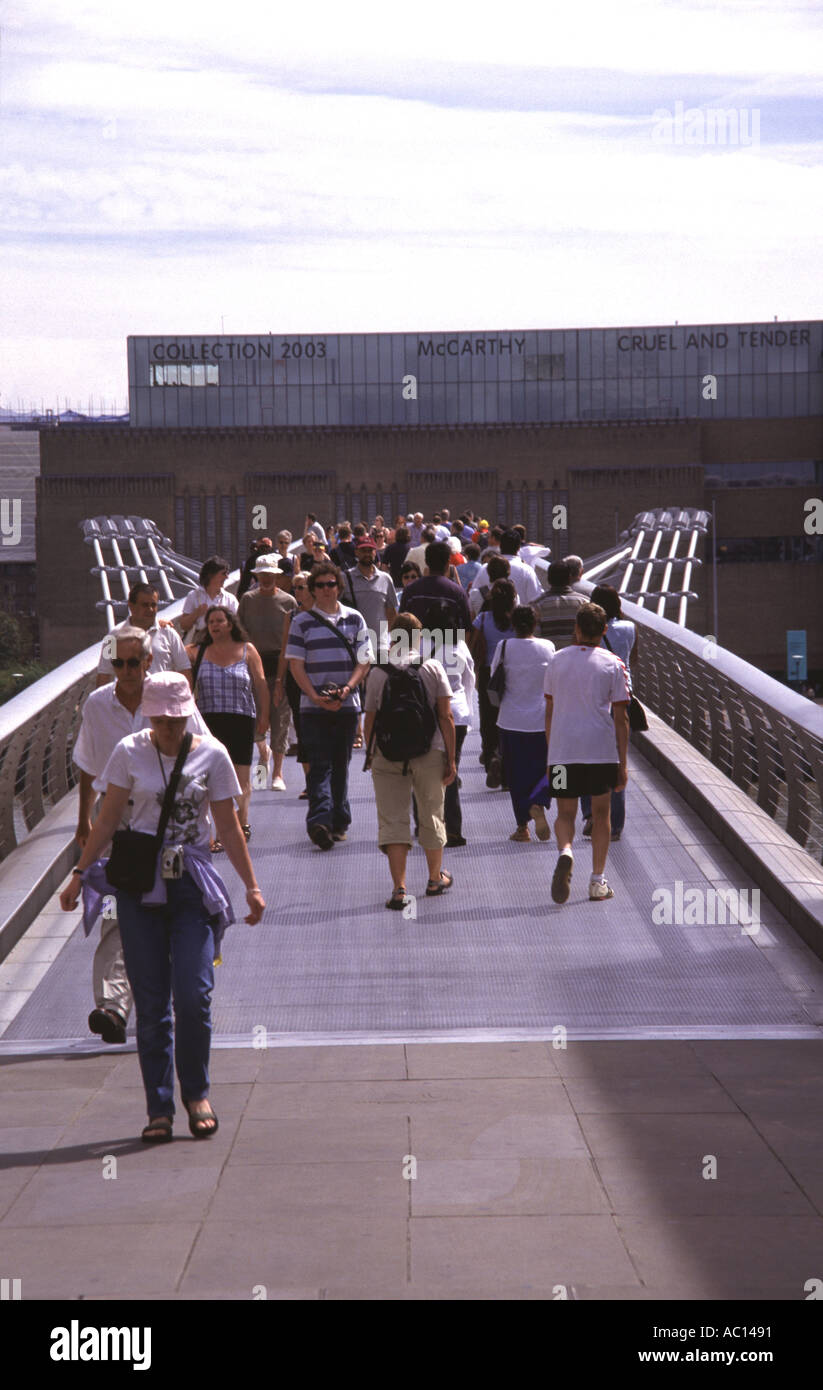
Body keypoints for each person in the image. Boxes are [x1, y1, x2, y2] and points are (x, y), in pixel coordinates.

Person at [59, 672, 265, 1143]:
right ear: (150, 715)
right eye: (162, 720)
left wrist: (251, 885)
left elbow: (228, 828)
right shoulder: (129, 752)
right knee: (152, 1004)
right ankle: (159, 1106)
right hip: (139, 888)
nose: (170, 728)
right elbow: (107, 818)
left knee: (193, 995)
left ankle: (197, 1093)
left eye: (177, 719)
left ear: (188, 712)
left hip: (190, 885)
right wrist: (79, 874)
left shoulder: (211, 755)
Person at [74, 628, 210, 1046]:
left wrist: (219, 823)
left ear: (149, 662)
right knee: (117, 909)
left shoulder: (169, 695)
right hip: (120, 827)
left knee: (167, 912)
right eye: (118, 664)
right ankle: (113, 1006)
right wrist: (84, 823)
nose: (126, 671)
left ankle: (166, 1000)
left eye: (134, 663)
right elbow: (87, 766)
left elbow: (205, 753)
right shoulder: (97, 706)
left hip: (170, 832)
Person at [364, 613, 456, 909]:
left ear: (391, 636)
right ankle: (434, 878)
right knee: (431, 813)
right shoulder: (431, 666)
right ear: (419, 636)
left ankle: (400, 889)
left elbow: (370, 718)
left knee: (393, 818)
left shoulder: (378, 671)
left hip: (388, 753)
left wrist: (371, 752)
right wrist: (451, 758)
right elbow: (446, 716)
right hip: (429, 751)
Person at [544, 603, 630, 904]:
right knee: (602, 813)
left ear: (576, 630)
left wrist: (550, 754)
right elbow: (622, 718)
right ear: (604, 630)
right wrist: (623, 764)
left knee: (564, 813)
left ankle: (566, 851)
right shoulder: (614, 664)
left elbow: (550, 710)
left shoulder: (556, 661)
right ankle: (597, 881)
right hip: (601, 751)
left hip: (562, 750)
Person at [285, 561, 373, 849]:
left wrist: (348, 689)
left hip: (346, 705)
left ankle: (339, 819)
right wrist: (313, 695)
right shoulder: (301, 622)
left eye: (330, 584)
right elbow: (296, 665)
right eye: (320, 585)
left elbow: (364, 660)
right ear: (312, 590)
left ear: (339, 587)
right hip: (313, 707)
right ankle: (320, 821)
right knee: (320, 765)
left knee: (340, 763)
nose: (325, 590)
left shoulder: (355, 619)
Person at [186, 607, 269, 843]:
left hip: (241, 719)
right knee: (214, 781)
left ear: (230, 624)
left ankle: (241, 824)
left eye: (220, 621)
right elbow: (171, 657)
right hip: (209, 723)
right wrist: (164, 629)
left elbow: (261, 684)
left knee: (241, 780)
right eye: (211, 621)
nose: (215, 625)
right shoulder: (196, 652)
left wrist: (264, 717)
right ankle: (222, 832)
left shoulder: (247, 650)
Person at [489, 607, 555, 841]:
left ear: (512, 623)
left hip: (511, 720)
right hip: (541, 720)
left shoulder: (504, 647)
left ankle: (522, 828)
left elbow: (493, 678)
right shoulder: (547, 647)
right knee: (548, 769)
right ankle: (539, 801)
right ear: (535, 622)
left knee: (516, 775)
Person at [579, 584, 638, 842]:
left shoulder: (588, 630)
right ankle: (614, 825)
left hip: (592, 699)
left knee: (585, 757)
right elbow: (632, 660)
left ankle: (591, 814)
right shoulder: (629, 629)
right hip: (620, 698)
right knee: (616, 759)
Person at [237, 553, 297, 792]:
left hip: (280, 664)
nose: (266, 578)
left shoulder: (289, 602)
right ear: (257, 576)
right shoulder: (247, 600)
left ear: (276, 576)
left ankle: (278, 773)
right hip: (253, 665)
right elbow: (239, 631)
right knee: (255, 718)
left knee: (280, 719)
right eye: (262, 574)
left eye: (270, 574)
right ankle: (264, 753)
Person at [420, 621, 474, 846]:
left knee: (424, 768)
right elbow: (470, 679)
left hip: (430, 713)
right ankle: (453, 829)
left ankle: (426, 823)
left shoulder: (421, 645)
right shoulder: (459, 646)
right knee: (452, 768)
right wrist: (469, 711)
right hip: (458, 712)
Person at [96, 582, 191, 688]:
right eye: (145, 605)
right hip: (127, 702)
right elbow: (104, 673)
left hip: (161, 701)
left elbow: (184, 669)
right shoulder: (112, 637)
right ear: (131, 606)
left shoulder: (169, 633)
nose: (150, 609)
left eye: (153, 605)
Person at [470, 577, 517, 781]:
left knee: (488, 718)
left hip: (489, 674)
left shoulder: (482, 619)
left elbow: (473, 644)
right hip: (512, 673)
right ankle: (506, 763)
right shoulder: (518, 619)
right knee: (507, 718)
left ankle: (490, 757)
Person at [275, 571, 315, 799]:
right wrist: (280, 681)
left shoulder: (323, 613)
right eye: (295, 588)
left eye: (301, 587)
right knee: (302, 730)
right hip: (296, 681)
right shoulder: (291, 616)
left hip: (319, 677)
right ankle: (311, 782)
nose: (296, 592)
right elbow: (285, 651)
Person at [398, 541, 472, 638]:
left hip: (416, 649)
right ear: (447, 563)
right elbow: (466, 630)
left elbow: (401, 625)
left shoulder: (411, 591)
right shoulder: (457, 593)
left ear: (427, 562)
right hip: (448, 650)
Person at [343, 536, 397, 660]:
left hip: (380, 648)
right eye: (363, 550)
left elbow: (391, 614)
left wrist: (392, 641)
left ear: (375, 552)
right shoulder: (345, 578)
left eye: (370, 550)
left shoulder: (386, 579)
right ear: (356, 552)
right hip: (354, 646)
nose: (367, 554)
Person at [179, 557, 238, 645]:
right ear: (211, 575)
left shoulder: (230, 598)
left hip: (223, 643)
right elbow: (184, 625)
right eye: (223, 573)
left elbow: (237, 624)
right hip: (200, 642)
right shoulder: (194, 596)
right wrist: (197, 612)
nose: (227, 577)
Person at [476, 531, 542, 606]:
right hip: (519, 616)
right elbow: (536, 600)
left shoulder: (485, 568)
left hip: (490, 616)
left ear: (500, 545)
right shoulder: (527, 571)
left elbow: (473, 597)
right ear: (519, 548)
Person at [533, 562, 587, 649]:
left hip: (549, 659)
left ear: (548, 579)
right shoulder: (584, 603)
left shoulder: (536, 606)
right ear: (570, 578)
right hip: (577, 660)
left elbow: (536, 639)